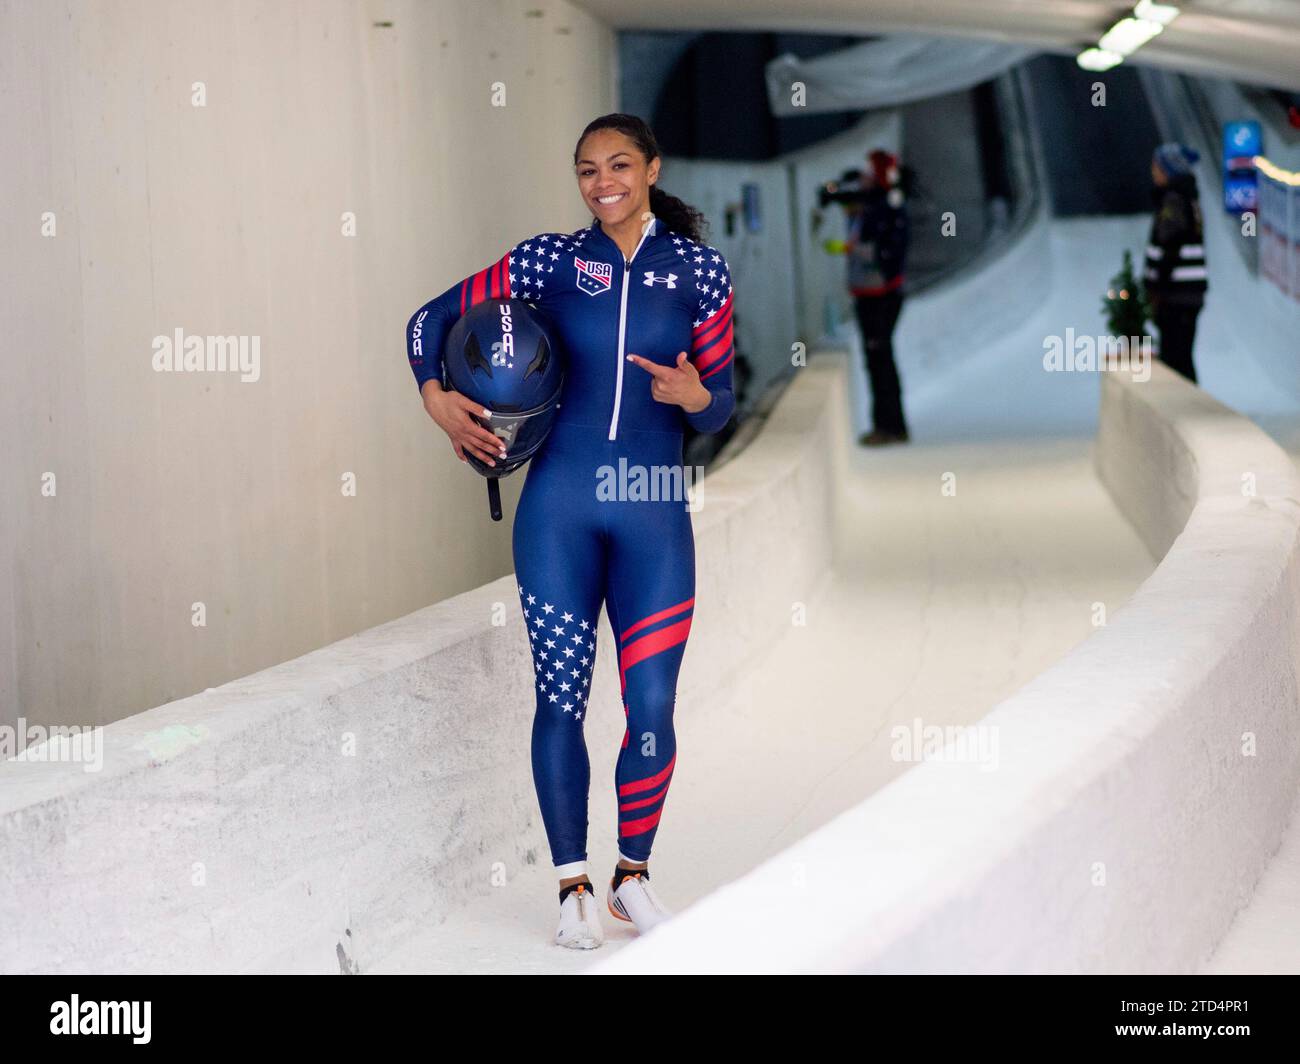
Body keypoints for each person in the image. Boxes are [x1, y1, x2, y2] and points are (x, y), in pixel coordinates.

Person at [404, 114, 735, 950]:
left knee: (651, 702)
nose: (602, 182)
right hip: (559, 510)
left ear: (652, 168)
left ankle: (632, 878)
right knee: (561, 699)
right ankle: (570, 887)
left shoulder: (700, 270)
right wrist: (438, 399)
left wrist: (694, 398)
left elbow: (721, 399)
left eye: (619, 165)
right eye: (586, 170)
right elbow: (427, 321)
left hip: (653, 508)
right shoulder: (552, 260)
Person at [830, 149, 911, 446]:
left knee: (880, 358)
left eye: (867, 174)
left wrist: (856, 250)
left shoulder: (886, 208)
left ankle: (889, 426)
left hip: (881, 296)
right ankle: (891, 425)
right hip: (871, 293)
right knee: (877, 359)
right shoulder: (873, 207)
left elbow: (889, 250)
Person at [1144, 143, 1208, 384]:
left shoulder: (1174, 201)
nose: (1153, 172)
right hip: (1185, 294)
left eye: (1157, 167)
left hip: (1177, 295)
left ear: (1169, 170)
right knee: (1180, 357)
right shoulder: (1184, 198)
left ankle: (1186, 411)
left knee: (1176, 359)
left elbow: (1170, 245)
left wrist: (1156, 288)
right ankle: (1188, 409)